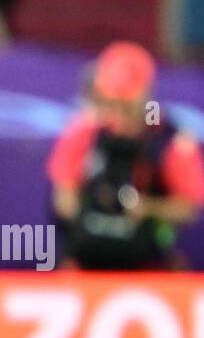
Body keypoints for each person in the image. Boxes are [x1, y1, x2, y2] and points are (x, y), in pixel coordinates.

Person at [47, 41, 204, 270]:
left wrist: (146, 207)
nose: (117, 109)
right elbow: (64, 201)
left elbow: (189, 208)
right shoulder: (84, 131)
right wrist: (97, 206)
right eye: (111, 98)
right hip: (84, 258)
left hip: (146, 262)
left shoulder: (168, 138)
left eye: (125, 100)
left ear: (145, 93)